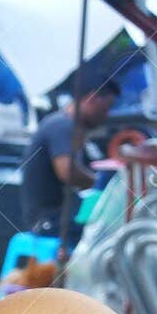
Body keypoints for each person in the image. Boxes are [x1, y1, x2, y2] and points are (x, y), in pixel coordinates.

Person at [20, 77, 121, 239]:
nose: (106, 115)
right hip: (49, 221)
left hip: (58, 216)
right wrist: (103, 188)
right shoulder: (62, 125)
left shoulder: (68, 127)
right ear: (92, 98)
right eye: (105, 108)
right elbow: (68, 172)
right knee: (115, 230)